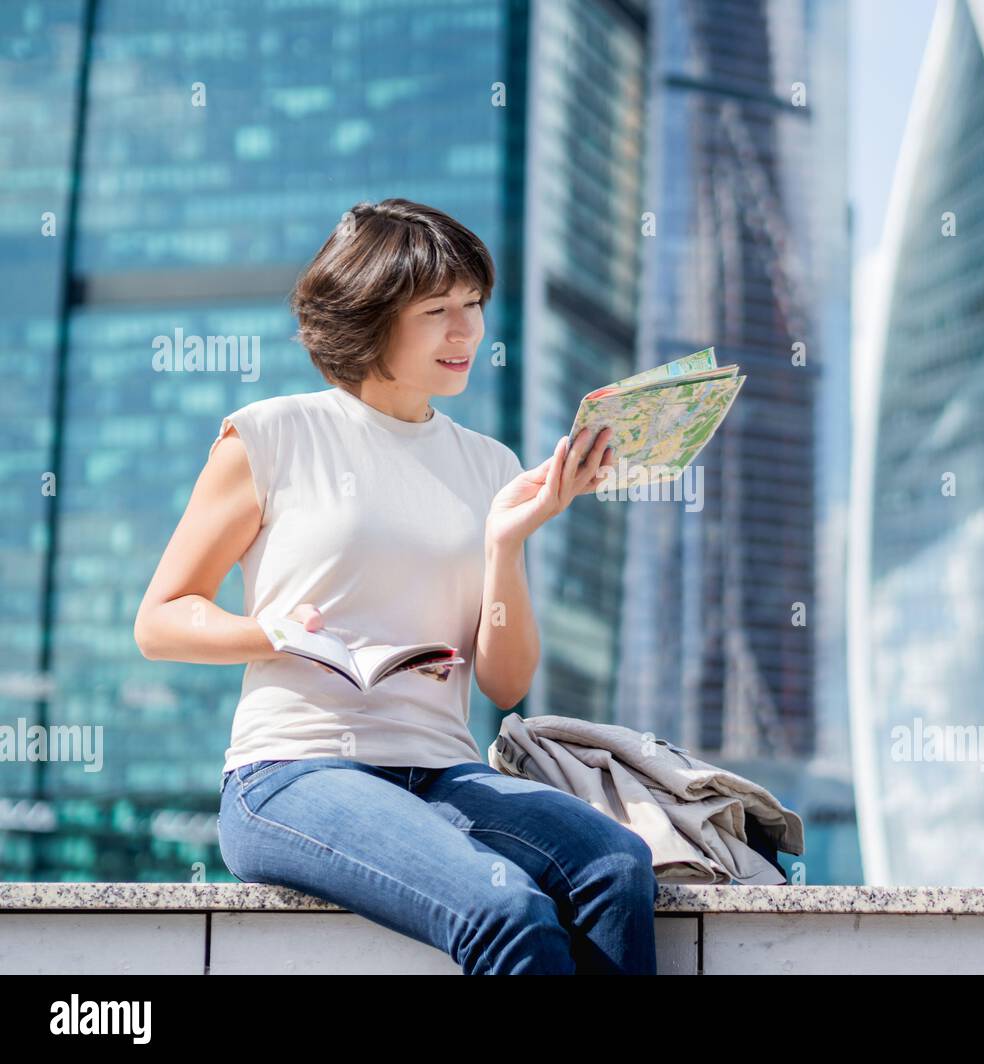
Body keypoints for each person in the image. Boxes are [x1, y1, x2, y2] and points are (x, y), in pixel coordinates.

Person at [133, 198, 657, 975]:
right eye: (438, 310)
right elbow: (161, 620)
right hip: (292, 773)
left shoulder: (491, 466)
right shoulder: (273, 435)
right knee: (505, 909)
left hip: (442, 770)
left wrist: (506, 542)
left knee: (614, 868)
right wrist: (278, 633)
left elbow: (506, 683)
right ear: (372, 318)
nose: (467, 331)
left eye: (475, 305)